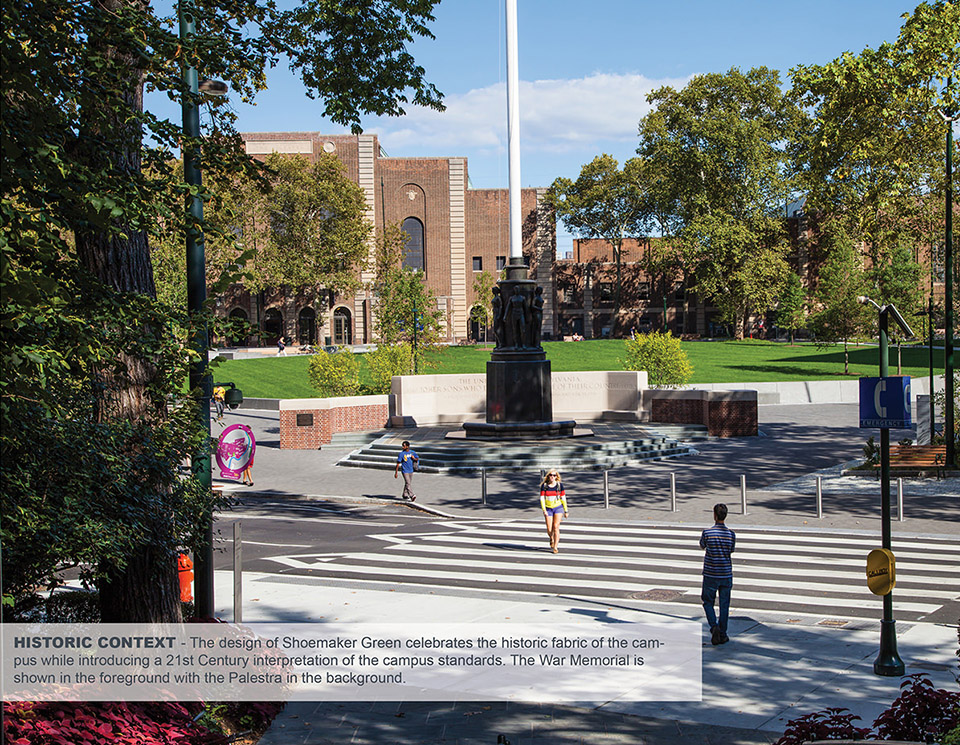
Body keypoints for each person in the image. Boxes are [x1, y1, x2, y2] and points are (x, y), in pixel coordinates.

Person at [700, 503, 735, 645]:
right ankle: (723, 633)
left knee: (708, 601)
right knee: (724, 604)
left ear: (714, 515)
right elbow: (731, 550)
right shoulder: (731, 534)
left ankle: (713, 625)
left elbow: (702, 545)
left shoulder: (707, 533)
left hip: (710, 573)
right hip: (725, 573)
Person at [539, 469, 568, 554]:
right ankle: (551, 538)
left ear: (556, 477)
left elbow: (563, 498)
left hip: (558, 507)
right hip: (548, 508)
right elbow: (542, 499)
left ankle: (555, 546)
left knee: (556, 526)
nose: (552, 477)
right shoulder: (544, 486)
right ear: (548, 476)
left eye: (554, 475)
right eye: (551, 475)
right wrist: (544, 510)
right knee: (549, 528)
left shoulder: (559, 485)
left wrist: (566, 510)